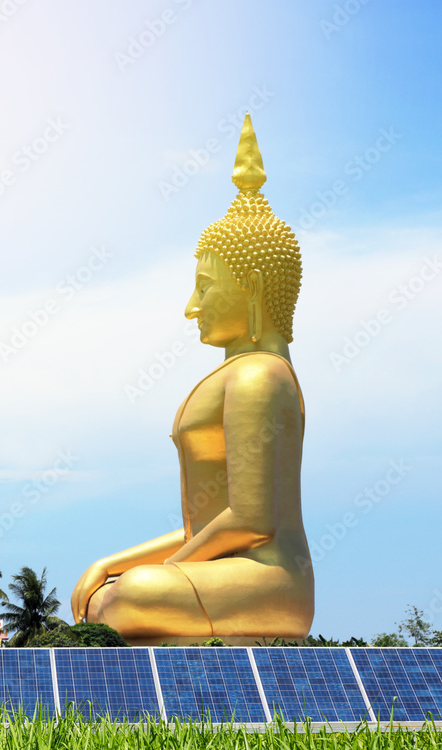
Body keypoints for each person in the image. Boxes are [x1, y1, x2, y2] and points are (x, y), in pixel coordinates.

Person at [70, 115, 314, 644]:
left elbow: (252, 522)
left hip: (266, 580)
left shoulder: (259, 377)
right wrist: (110, 563)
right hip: (221, 571)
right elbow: (203, 531)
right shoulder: (239, 375)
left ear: (251, 287)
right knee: (118, 589)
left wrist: (144, 577)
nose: (191, 308)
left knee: (132, 596)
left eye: (204, 288)